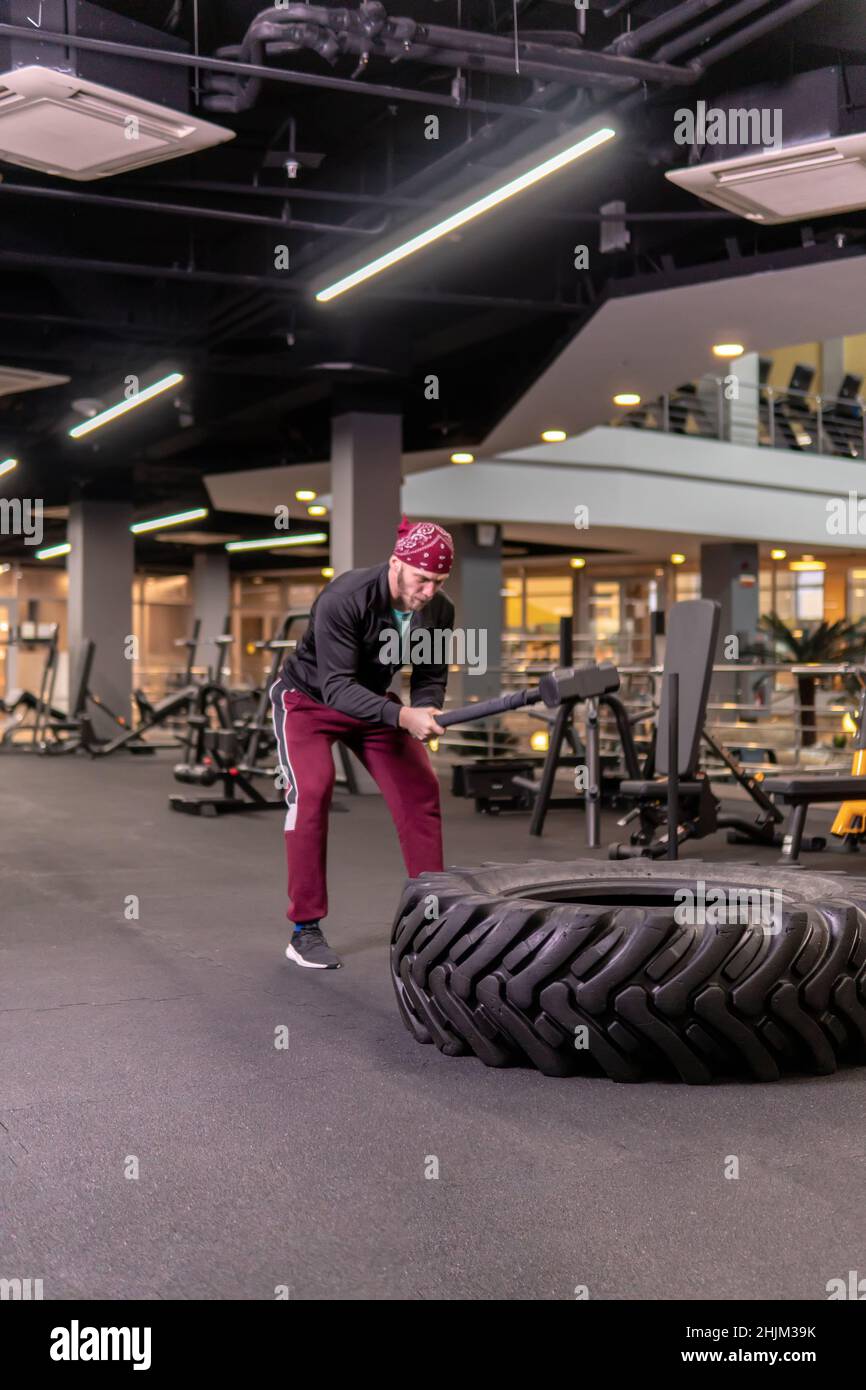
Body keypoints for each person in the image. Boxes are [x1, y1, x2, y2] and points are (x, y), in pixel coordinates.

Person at [270, 518, 455, 969]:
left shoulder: (438, 610)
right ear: (397, 564)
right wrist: (401, 715)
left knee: (420, 788)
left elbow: (430, 675)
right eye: (422, 579)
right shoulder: (344, 598)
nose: (428, 591)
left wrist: (425, 710)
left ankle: (430, 917)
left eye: (439, 582)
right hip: (309, 702)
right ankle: (305, 929)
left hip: (372, 704)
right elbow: (335, 688)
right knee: (312, 794)